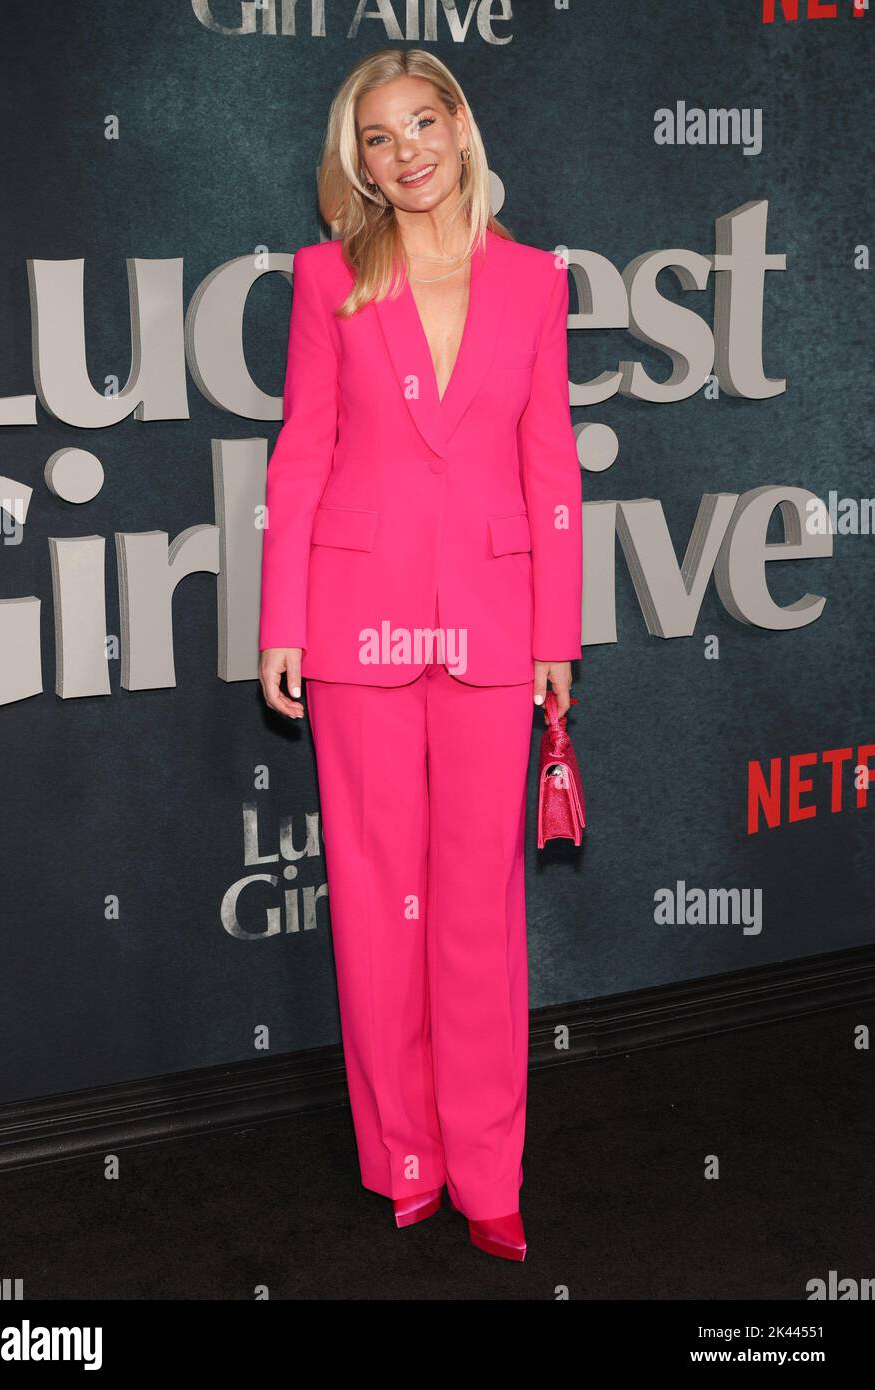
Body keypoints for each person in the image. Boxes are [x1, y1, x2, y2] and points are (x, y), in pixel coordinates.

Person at [258, 47, 583, 1263]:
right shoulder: (326, 277)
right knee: (379, 913)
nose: (406, 151)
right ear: (359, 160)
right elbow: (300, 455)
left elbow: (552, 463)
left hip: (497, 628)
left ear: (460, 126)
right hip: (354, 624)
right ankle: (405, 1158)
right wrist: (280, 620)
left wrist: (559, 634)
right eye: (378, 136)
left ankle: (489, 1170)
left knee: (479, 915)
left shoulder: (537, 281)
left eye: (422, 122)